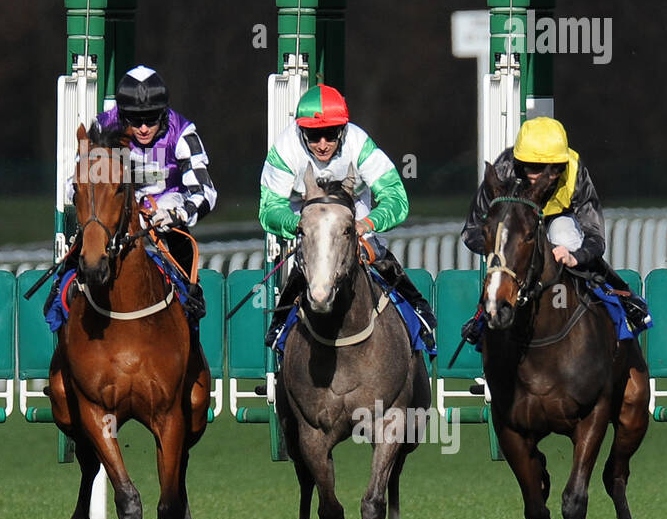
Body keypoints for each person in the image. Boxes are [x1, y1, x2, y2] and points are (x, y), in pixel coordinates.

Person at [259, 83, 435, 351]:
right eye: (313, 136)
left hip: (353, 211)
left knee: (376, 255)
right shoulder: (284, 150)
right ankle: (280, 330)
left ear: (342, 130)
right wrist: (301, 225)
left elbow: (396, 198)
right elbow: (269, 209)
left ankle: (418, 312)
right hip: (306, 215)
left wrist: (368, 223)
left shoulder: (359, 143)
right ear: (301, 131)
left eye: (330, 135)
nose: (322, 145)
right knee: (306, 264)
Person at [48, 65, 217, 322]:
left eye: (151, 119)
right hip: (114, 209)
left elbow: (206, 192)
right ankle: (62, 295)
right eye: (135, 120)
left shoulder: (182, 133)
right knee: (90, 236)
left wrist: (177, 213)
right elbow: (82, 185)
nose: (144, 128)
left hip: (164, 210)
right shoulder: (103, 127)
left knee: (179, 243)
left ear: (163, 112)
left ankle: (190, 298)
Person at [461, 115, 651, 335]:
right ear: (520, 164)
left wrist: (575, 257)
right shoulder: (503, 170)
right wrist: (500, 245)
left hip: (559, 226)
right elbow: (471, 231)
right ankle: (484, 316)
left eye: (554, 169)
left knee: (563, 233)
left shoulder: (575, 170)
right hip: (517, 237)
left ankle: (619, 297)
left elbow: (595, 236)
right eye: (534, 167)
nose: (545, 177)